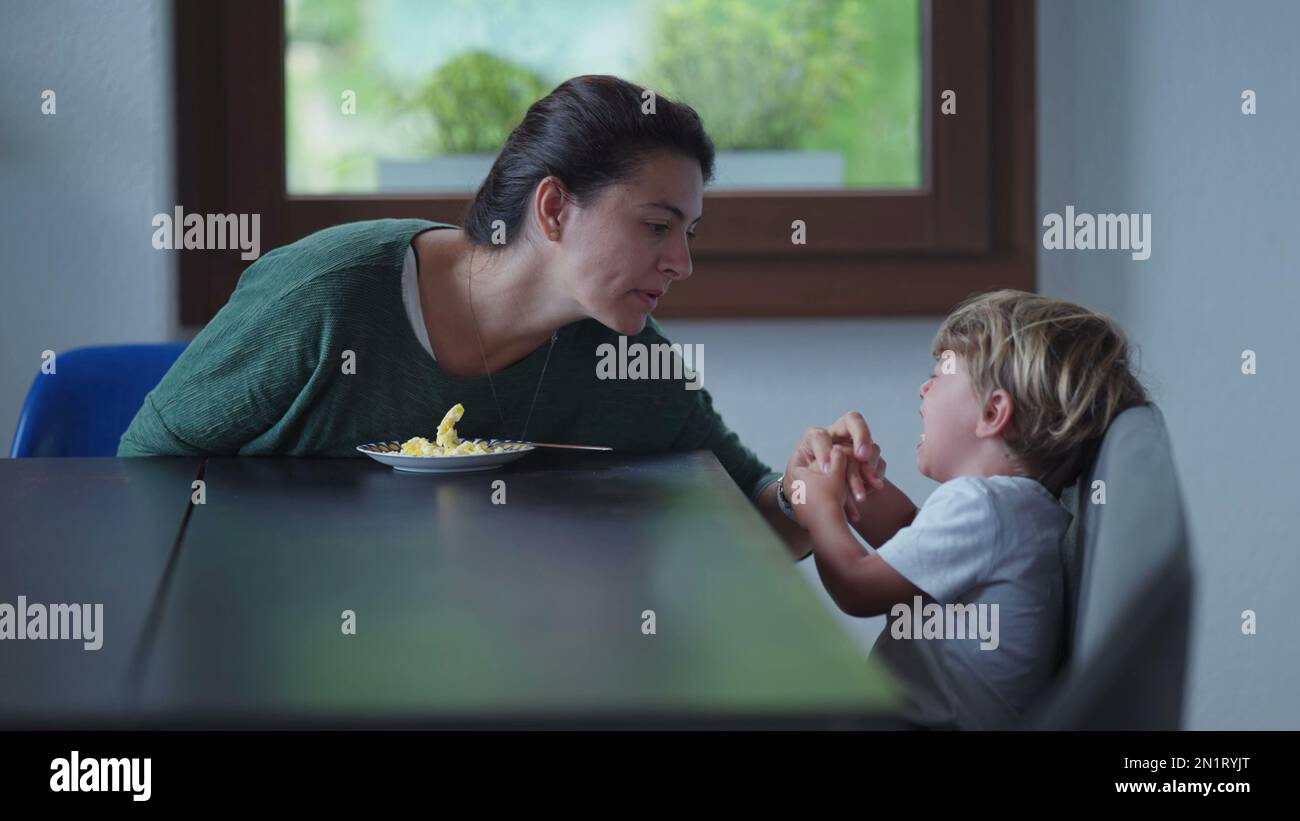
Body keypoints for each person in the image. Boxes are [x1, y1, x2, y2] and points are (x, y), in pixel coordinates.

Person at [118, 74, 877, 560]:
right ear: (552, 208)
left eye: (690, 233)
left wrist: (809, 487)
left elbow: (752, 514)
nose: (681, 261)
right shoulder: (327, 294)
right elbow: (142, 472)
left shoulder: (626, 358)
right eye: (655, 225)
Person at [786, 290, 1150, 728]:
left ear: (993, 411)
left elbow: (857, 588)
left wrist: (819, 508)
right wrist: (852, 482)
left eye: (939, 373)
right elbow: (912, 534)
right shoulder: (1024, 510)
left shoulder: (982, 505)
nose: (924, 387)